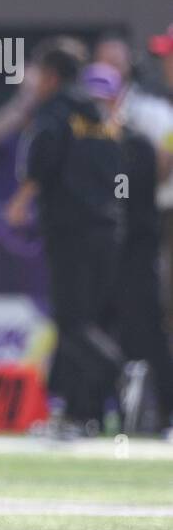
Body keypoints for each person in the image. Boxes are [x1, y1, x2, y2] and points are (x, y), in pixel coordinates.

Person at [7, 38, 124, 436]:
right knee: (88, 322)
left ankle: (119, 371)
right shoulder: (101, 116)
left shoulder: (53, 113)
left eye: (39, 74)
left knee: (71, 321)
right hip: (108, 229)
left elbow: (39, 166)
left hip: (70, 232)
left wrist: (19, 204)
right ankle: (82, 413)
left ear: (51, 76)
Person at [82, 64, 173, 434]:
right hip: (96, 255)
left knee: (147, 333)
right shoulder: (83, 145)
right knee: (93, 331)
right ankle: (89, 413)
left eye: (104, 99)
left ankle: (163, 413)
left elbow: (130, 199)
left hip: (135, 252)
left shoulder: (136, 145)